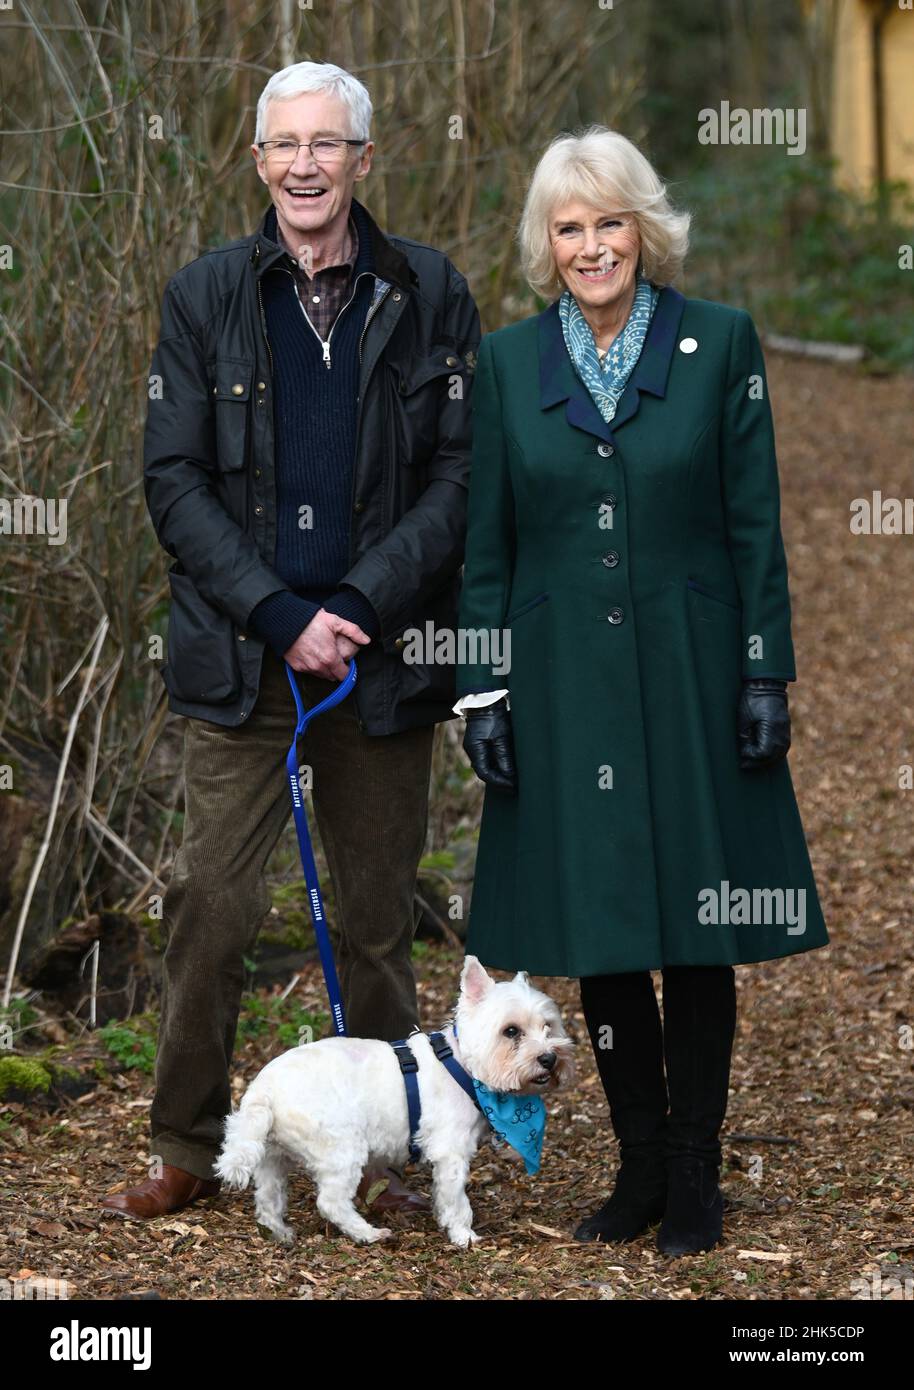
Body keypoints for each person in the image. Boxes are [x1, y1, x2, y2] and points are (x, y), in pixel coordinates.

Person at [101, 61, 480, 1221]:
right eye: (285, 144)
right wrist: (279, 615)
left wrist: (359, 601)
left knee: (375, 921)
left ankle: (383, 1156)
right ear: (257, 159)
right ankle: (187, 1143)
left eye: (327, 144)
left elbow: (459, 476)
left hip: (381, 656)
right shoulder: (203, 295)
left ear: (363, 158)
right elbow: (172, 480)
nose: (305, 165)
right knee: (210, 905)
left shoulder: (428, 290)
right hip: (242, 660)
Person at [454, 126, 828, 1255]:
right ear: (546, 242)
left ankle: (696, 1172)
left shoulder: (719, 344)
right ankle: (639, 1168)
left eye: (608, 222)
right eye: (568, 228)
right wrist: (482, 688)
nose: (590, 246)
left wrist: (764, 669)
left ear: (642, 228)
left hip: (692, 671)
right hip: (562, 685)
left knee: (698, 925)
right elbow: (486, 545)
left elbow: (755, 523)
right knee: (604, 930)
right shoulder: (507, 364)